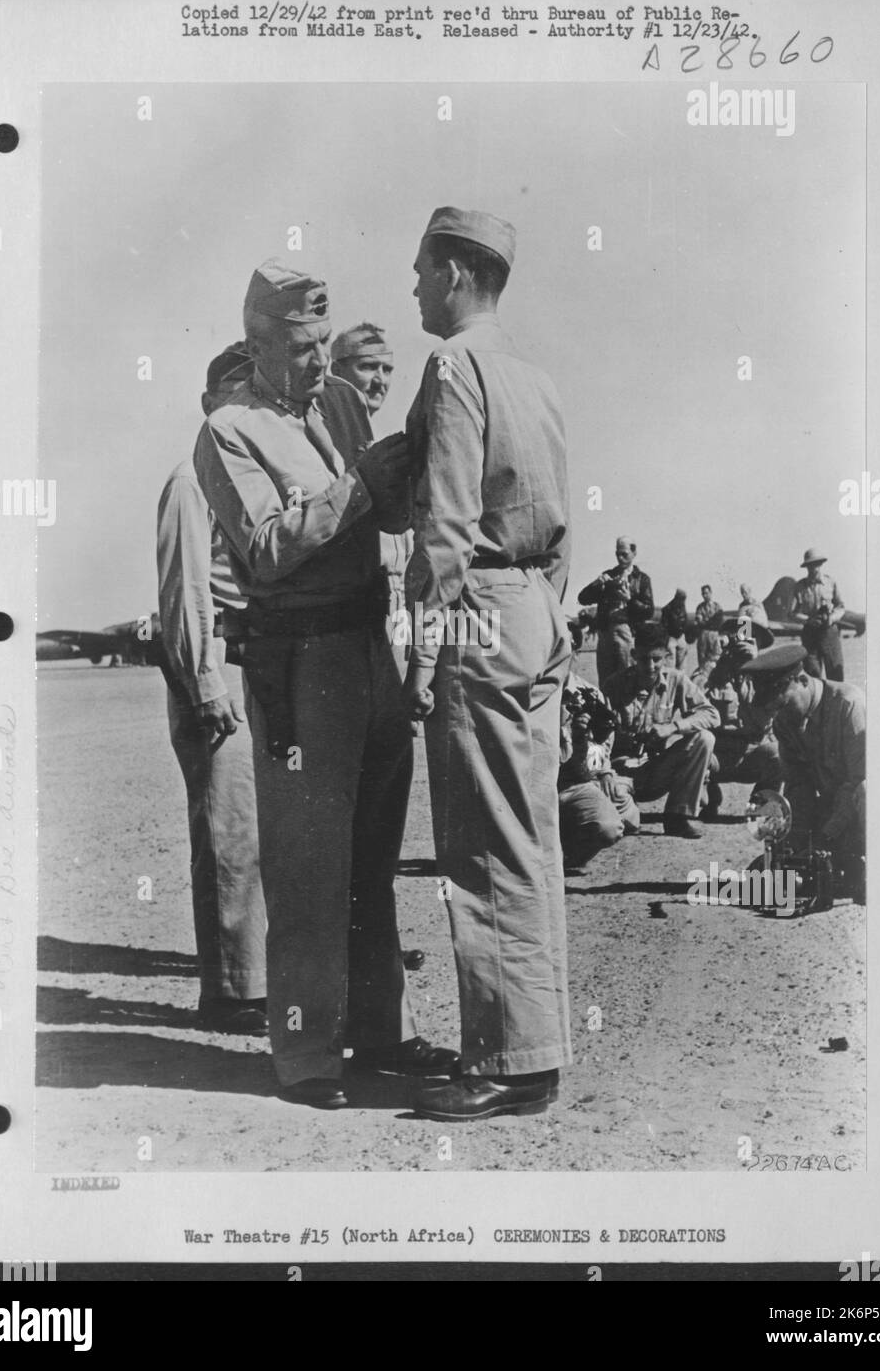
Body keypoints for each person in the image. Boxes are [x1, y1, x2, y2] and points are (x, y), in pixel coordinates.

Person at [194, 259, 455, 1109]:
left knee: (371, 859)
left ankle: (379, 1033)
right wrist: (357, 491)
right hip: (302, 663)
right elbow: (266, 547)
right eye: (302, 350)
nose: (319, 364)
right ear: (260, 345)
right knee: (309, 867)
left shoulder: (338, 402)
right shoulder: (228, 432)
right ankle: (306, 1055)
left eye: (321, 345)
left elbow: (388, 507)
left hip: (369, 646)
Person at [401, 206, 572, 1122]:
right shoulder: (533, 375)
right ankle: (532, 1047)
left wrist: (427, 649)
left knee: (479, 839)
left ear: (459, 274)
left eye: (424, 270)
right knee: (529, 835)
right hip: (537, 609)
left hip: (480, 612)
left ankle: (510, 1062)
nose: (415, 285)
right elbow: (561, 522)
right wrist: (547, 618)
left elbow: (447, 528)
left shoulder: (454, 365)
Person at [156, 343, 267, 1034]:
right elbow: (183, 593)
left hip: (261, 662)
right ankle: (232, 992)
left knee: (265, 830)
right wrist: (204, 682)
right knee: (229, 831)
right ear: (207, 406)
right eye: (232, 397)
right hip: (217, 665)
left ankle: (261, 978)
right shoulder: (190, 480)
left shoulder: (253, 481)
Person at [741, 644, 865, 902]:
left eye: (783, 705)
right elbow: (798, 785)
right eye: (774, 710)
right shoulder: (787, 719)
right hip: (837, 808)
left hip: (867, 810)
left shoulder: (848, 704)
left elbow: (857, 783)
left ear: (803, 680)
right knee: (771, 870)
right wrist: (795, 844)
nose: (779, 716)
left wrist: (826, 836)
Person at [330, 323, 411, 678]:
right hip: (344, 618)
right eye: (367, 367)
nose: (380, 380)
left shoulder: (387, 448)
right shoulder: (321, 447)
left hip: (398, 614)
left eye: (387, 369)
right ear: (336, 372)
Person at [603, 621, 719, 838]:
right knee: (626, 827)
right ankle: (628, 811)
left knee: (704, 738)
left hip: (658, 771)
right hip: (622, 774)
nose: (650, 666)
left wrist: (673, 727)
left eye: (656, 659)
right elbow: (596, 737)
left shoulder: (676, 680)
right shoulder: (614, 685)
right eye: (644, 659)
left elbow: (712, 714)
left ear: (666, 656)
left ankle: (677, 817)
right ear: (634, 654)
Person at [694, 615, 782, 820]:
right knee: (694, 748)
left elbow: (765, 720)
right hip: (718, 754)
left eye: (750, 641)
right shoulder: (711, 670)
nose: (742, 646)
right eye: (737, 639)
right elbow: (691, 703)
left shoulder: (768, 676)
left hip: (752, 752)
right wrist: (720, 669)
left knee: (780, 754)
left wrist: (754, 671)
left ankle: (759, 806)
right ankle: (709, 798)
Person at [559, 663, 638, 869]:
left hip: (573, 781)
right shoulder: (524, 689)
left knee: (618, 823)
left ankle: (570, 855)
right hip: (532, 782)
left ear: (574, 653)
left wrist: (581, 742)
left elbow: (597, 756)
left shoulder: (589, 694)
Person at [578, 538, 654, 686]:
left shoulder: (642, 579)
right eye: (618, 554)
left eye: (624, 554)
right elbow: (583, 599)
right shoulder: (608, 576)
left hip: (628, 632)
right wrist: (596, 584)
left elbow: (648, 611)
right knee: (606, 679)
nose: (620, 558)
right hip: (606, 631)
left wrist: (630, 600)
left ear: (634, 553)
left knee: (629, 677)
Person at [788, 546, 845, 681]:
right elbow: (791, 613)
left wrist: (832, 618)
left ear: (821, 564)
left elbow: (841, 607)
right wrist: (807, 620)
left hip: (829, 632)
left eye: (817, 564)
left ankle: (835, 701)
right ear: (806, 567)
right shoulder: (800, 586)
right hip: (810, 634)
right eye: (810, 565)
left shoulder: (831, 582)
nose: (814, 568)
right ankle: (819, 702)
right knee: (812, 673)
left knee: (835, 672)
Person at [660, 587, 690, 670]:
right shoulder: (667, 609)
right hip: (671, 637)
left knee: (682, 659)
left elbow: (685, 621)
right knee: (670, 659)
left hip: (680, 636)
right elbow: (663, 625)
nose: (683, 600)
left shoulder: (682, 607)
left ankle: (681, 676)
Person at [694, 584, 723, 665]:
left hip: (714, 635)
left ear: (711, 593)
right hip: (703, 635)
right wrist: (709, 622)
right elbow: (699, 621)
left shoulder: (717, 607)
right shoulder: (700, 607)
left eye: (706, 593)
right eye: (703, 594)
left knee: (716, 657)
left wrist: (705, 621)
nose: (705, 595)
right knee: (702, 658)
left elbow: (718, 622)